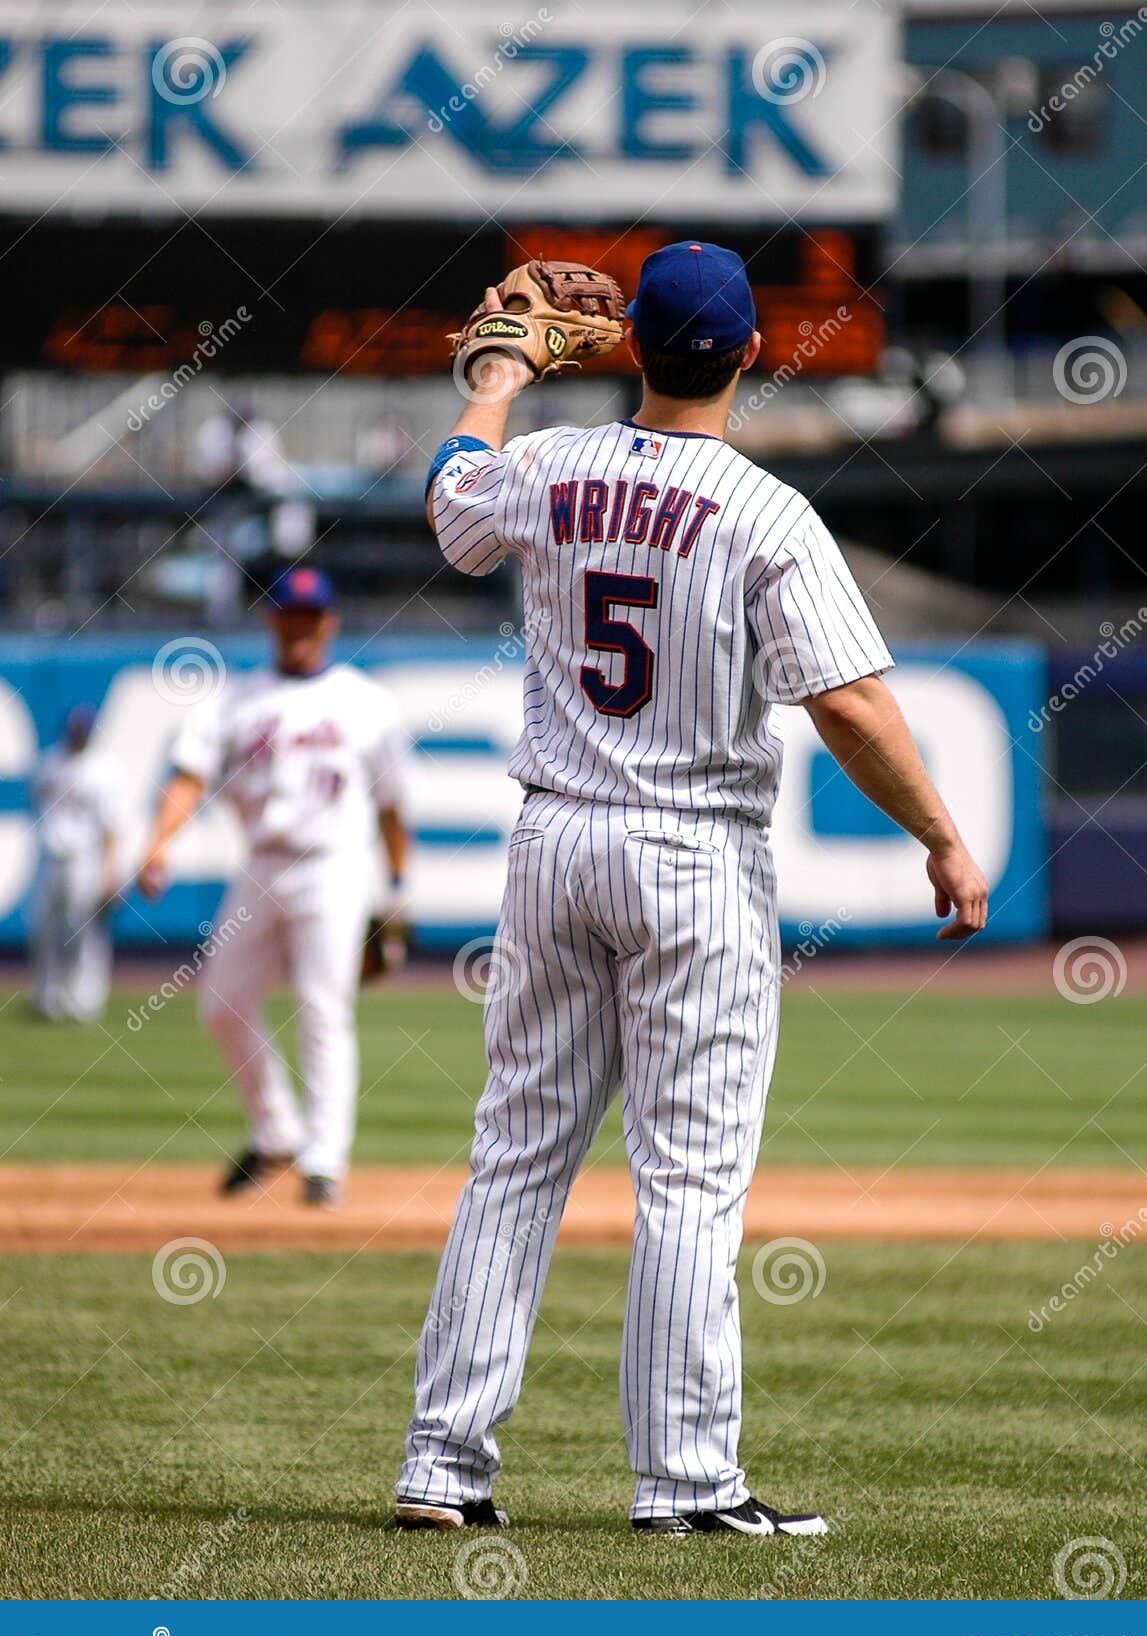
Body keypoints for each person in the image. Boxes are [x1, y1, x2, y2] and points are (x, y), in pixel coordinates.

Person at [395, 243, 988, 1536]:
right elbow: (846, 701)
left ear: (628, 346)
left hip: (555, 841)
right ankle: (685, 1484)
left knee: (514, 1159)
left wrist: (491, 381)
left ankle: (443, 1466)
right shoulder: (766, 511)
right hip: (692, 855)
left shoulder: (548, 464)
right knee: (688, 1181)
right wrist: (940, 832)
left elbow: (451, 511)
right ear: (751, 356)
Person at [138, 567, 410, 1206]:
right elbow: (188, 776)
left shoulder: (365, 700)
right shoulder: (236, 698)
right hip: (260, 862)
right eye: (290, 613)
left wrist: (398, 884)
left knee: (323, 1005)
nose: (300, 626)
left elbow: (394, 805)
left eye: (311, 615)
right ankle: (278, 1130)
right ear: (271, 619)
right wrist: (158, 843)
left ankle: (325, 1161)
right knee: (221, 1001)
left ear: (330, 622)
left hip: (334, 863)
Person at [28, 705, 119, 1022]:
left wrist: (110, 869)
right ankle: (47, 995)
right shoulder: (52, 760)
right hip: (52, 855)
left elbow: (111, 826)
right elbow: (38, 803)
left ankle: (85, 997)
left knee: (83, 928)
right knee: (43, 926)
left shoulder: (101, 768)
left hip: (85, 857)